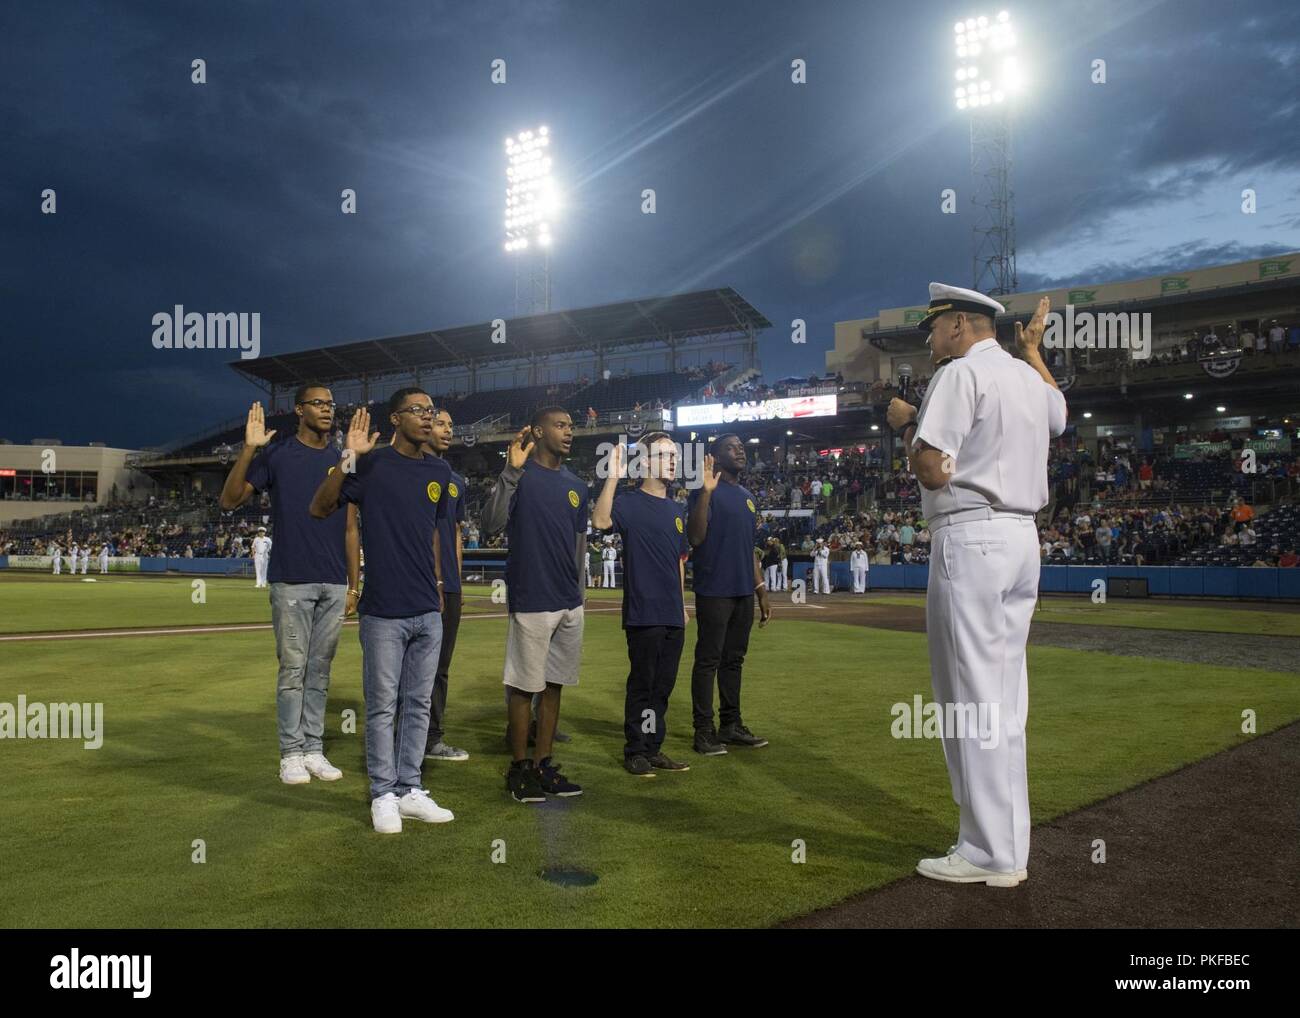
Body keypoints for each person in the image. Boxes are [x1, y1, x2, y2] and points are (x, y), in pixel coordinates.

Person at [887, 284, 1066, 888]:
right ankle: (1006, 849)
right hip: (1022, 542)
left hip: (970, 536)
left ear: (960, 324)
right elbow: (1059, 414)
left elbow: (934, 465)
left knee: (970, 699)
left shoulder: (960, 374)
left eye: (935, 326)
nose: (930, 337)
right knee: (1004, 699)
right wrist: (1034, 350)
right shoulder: (1023, 375)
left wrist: (908, 428)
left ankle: (985, 851)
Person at [309, 389, 455, 834]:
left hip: (427, 608)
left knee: (417, 705)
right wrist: (348, 457)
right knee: (381, 708)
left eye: (432, 411)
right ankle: (382, 794)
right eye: (419, 411)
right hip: (383, 612)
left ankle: (411, 789)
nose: (428, 417)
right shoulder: (370, 464)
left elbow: (434, 532)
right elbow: (320, 507)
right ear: (395, 419)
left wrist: (440, 584)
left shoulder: (440, 469)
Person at [221, 389, 350, 785]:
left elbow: (350, 525)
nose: (327, 409)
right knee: (293, 670)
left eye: (330, 404)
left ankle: (313, 749)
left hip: (333, 580)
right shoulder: (276, 455)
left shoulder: (343, 459)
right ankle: (291, 753)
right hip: (291, 578)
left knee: (320, 670)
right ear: (299, 410)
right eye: (318, 403)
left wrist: (354, 584)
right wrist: (248, 449)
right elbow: (229, 501)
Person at [482, 408, 588, 804]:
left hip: (568, 603)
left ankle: (544, 764)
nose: (569, 433)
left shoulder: (576, 484)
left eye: (571, 427)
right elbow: (491, 524)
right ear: (539, 431)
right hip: (531, 598)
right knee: (525, 687)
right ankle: (519, 767)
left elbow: (578, 547)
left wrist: (579, 597)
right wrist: (510, 472)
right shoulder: (519, 477)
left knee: (554, 685)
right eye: (561, 426)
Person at [591, 434, 691, 777]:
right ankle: (635, 749)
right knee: (643, 684)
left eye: (675, 455)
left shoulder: (677, 509)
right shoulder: (629, 504)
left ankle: (653, 747)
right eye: (665, 455)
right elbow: (600, 521)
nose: (674, 460)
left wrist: (681, 605)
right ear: (646, 462)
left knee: (663, 687)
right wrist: (614, 476)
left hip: (672, 613)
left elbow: (679, 560)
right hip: (643, 612)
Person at [687, 434, 772, 756]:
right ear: (715, 458)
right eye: (731, 448)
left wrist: (760, 588)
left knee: (734, 660)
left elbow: (749, 548)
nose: (740, 451)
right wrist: (706, 493)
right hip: (714, 590)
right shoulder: (704, 492)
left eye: (741, 447)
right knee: (708, 661)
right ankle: (703, 731)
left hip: (742, 592)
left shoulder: (748, 497)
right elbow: (695, 537)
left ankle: (731, 725)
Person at [422, 408, 470, 763]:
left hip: (449, 586)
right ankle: (401, 736)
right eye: (440, 423)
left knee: (440, 666)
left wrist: (457, 584)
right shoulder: (405, 470)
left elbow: (454, 532)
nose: (447, 430)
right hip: (416, 580)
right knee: (410, 667)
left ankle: (432, 739)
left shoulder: (457, 480)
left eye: (451, 425)